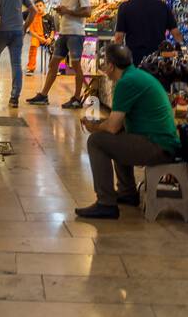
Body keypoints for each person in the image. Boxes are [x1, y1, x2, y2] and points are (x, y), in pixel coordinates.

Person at [76, 41, 182, 219]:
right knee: (117, 137)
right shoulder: (135, 75)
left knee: (96, 141)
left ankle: (106, 203)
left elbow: (111, 126)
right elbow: (117, 123)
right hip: (160, 141)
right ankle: (127, 192)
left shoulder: (126, 83)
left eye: (104, 63)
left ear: (111, 66)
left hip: (158, 146)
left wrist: (93, 126)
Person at [27, 0, 91, 108]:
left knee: (75, 65)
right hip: (63, 33)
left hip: (75, 33)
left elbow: (87, 12)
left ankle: (77, 98)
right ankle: (43, 95)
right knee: (53, 63)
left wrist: (68, 11)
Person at [114, 0, 183, 68]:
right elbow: (176, 33)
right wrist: (180, 50)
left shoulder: (125, 7)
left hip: (135, 57)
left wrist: (117, 57)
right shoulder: (162, 6)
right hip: (158, 57)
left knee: (138, 82)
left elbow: (119, 37)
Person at [26, 0, 51, 74]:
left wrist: (49, 38)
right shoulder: (33, 17)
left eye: (40, 5)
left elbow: (53, 29)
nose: (39, 8)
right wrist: (39, 38)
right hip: (36, 37)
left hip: (47, 37)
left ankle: (57, 68)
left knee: (57, 47)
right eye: (37, 6)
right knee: (33, 46)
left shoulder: (48, 17)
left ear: (44, 6)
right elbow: (31, 31)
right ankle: (31, 67)